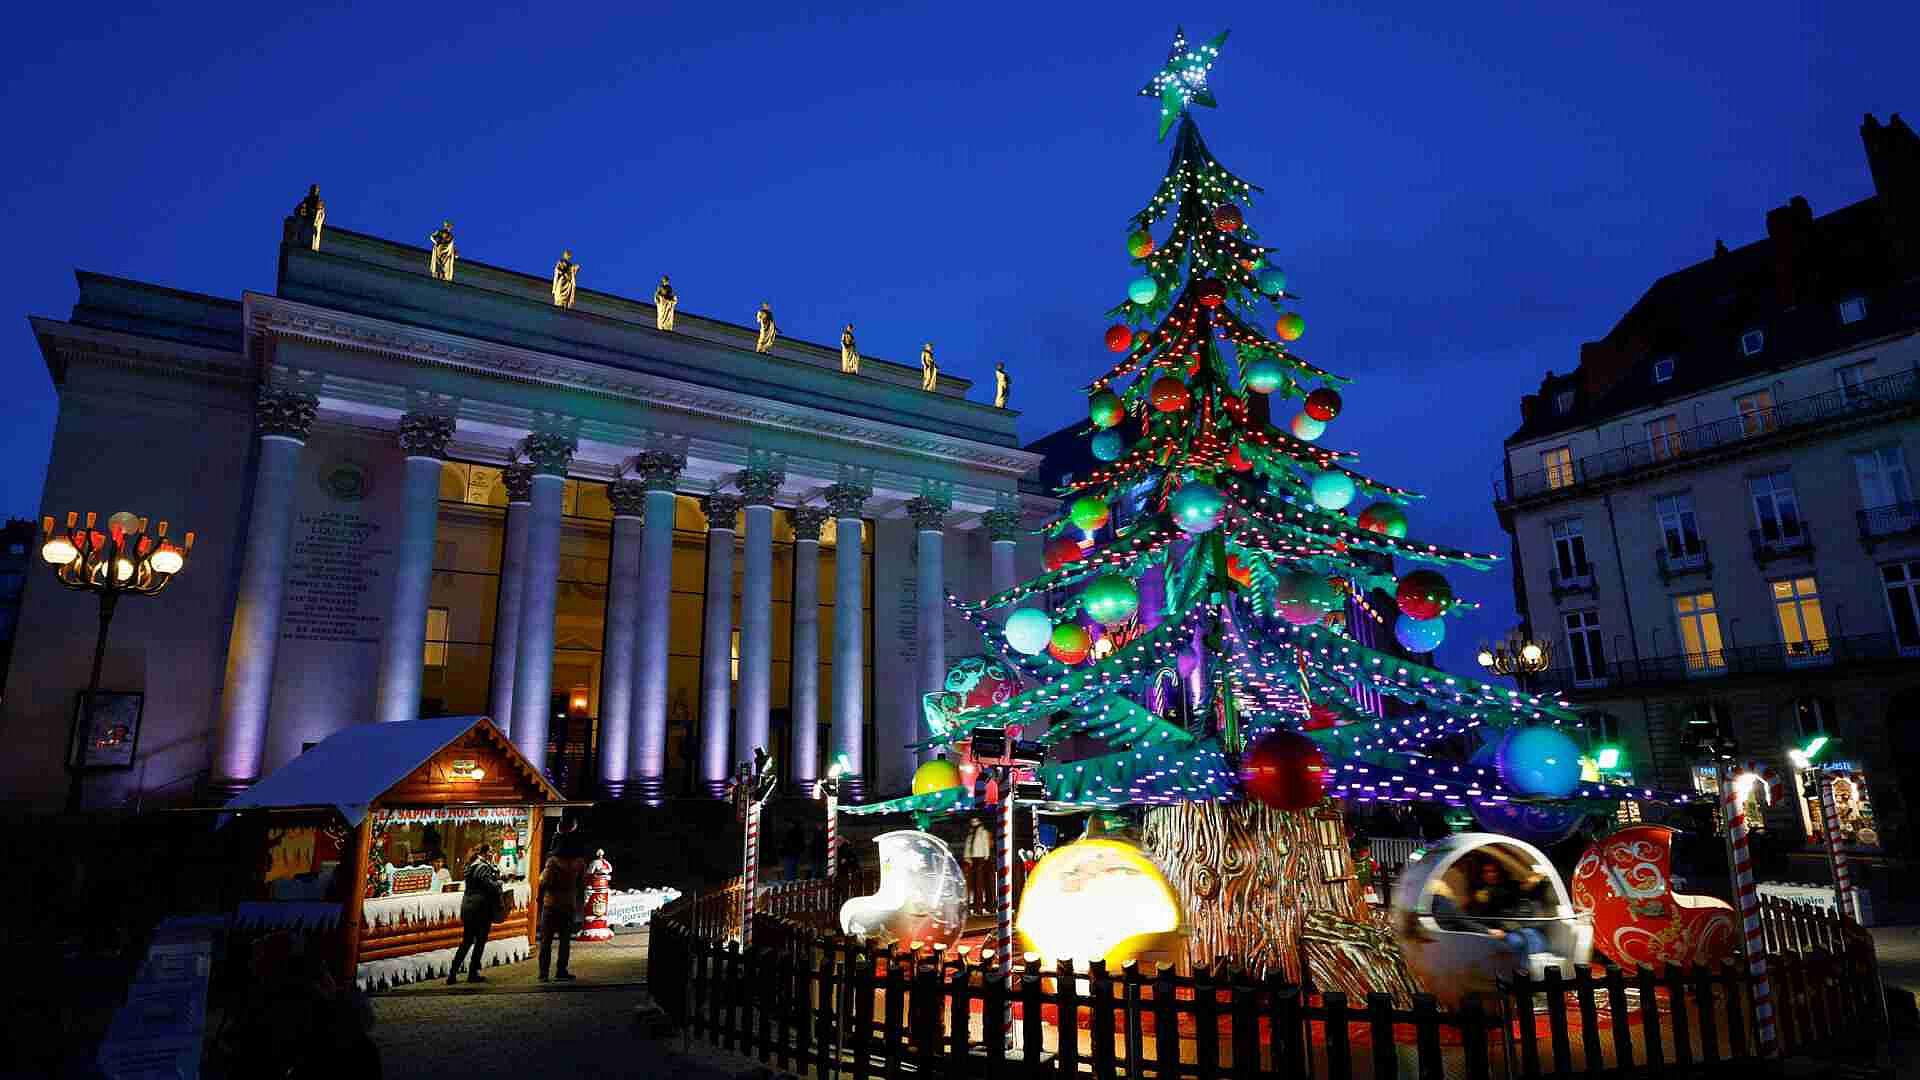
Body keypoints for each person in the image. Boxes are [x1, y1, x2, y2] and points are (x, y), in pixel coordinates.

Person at [1460, 856, 1549, 957]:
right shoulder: (1479, 892)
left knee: (1534, 936)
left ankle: (1537, 967)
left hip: (1515, 926)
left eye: (1494, 871)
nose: (1491, 874)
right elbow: (1474, 915)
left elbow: (1521, 889)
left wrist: (1534, 881)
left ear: (1499, 872)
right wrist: (1488, 929)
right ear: (1482, 875)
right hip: (1496, 930)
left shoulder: (1509, 885)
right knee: (1517, 941)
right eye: (1486, 872)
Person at [448, 843, 501, 984]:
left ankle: (452, 973)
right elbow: (488, 886)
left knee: (466, 941)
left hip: (468, 907)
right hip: (480, 909)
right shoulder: (483, 866)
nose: (492, 853)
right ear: (484, 853)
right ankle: (472, 973)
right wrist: (499, 883)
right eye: (490, 851)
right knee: (480, 941)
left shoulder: (471, 865)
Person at [539, 846, 586, 981]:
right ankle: (561, 970)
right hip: (568, 904)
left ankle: (543, 973)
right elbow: (581, 883)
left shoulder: (552, 862)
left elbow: (544, 881)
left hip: (551, 904)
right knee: (565, 941)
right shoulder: (579, 863)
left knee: (546, 940)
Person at [965, 817, 992, 915]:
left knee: (979, 883)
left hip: (980, 857)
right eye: (972, 821)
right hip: (973, 858)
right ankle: (976, 907)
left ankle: (979, 907)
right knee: (974, 883)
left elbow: (985, 844)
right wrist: (967, 856)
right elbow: (968, 845)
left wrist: (986, 855)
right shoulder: (971, 832)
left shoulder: (983, 831)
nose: (973, 822)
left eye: (975, 820)